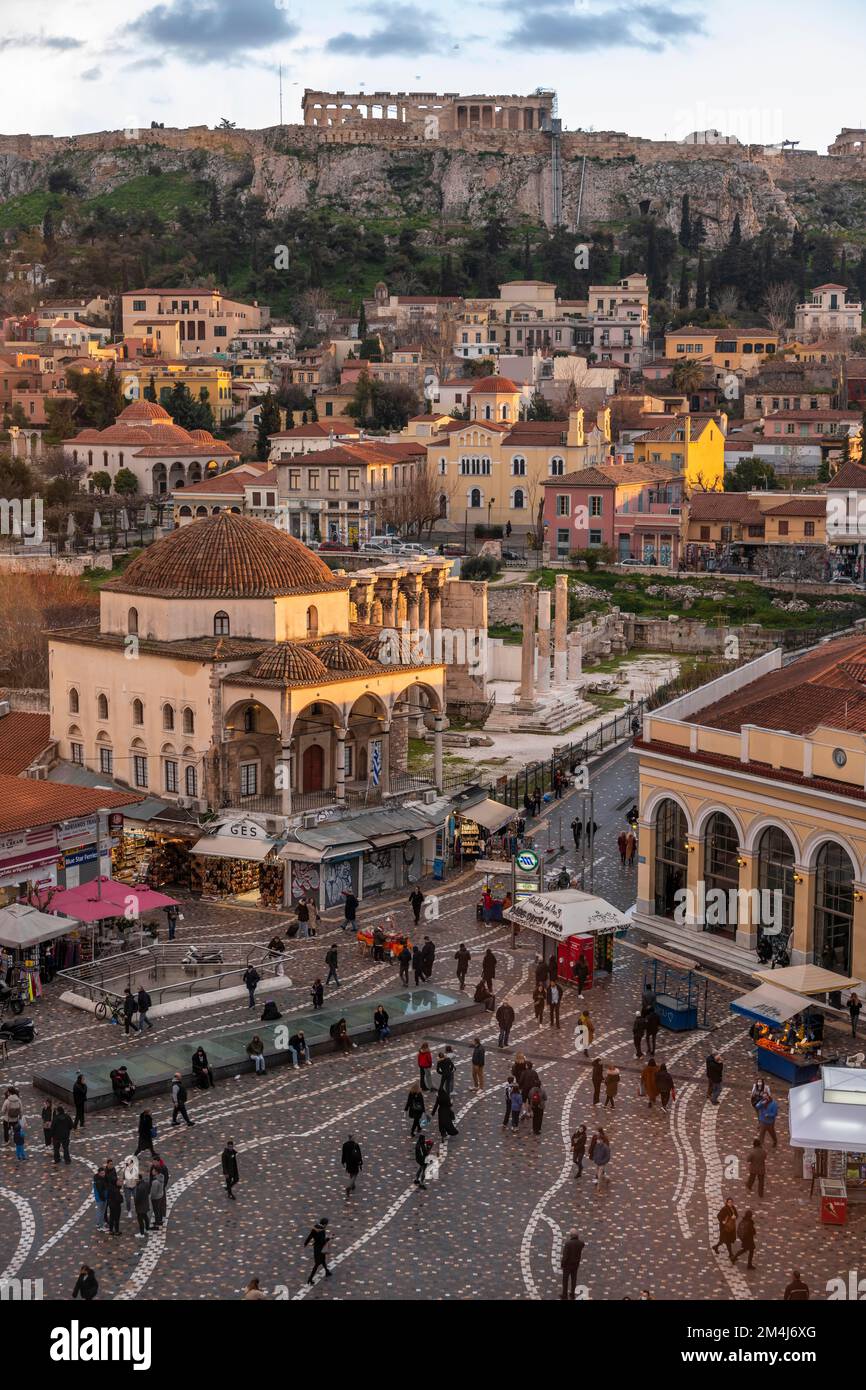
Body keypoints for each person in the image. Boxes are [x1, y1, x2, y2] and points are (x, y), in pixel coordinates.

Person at [304, 1218, 332, 1284]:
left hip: (316, 1247)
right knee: (317, 1264)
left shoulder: (315, 1227)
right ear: (325, 1224)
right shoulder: (322, 1231)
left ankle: (327, 1271)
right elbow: (322, 1241)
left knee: (323, 1260)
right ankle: (310, 1279)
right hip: (319, 1249)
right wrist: (329, 1238)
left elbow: (310, 1236)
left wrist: (306, 1243)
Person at [560, 1230, 585, 1301]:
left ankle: (564, 1294)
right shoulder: (580, 1243)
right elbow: (583, 1244)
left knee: (565, 1280)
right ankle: (572, 1293)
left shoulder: (568, 1244)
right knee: (574, 1279)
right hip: (575, 1264)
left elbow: (565, 1256)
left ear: (571, 1235)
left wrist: (562, 1264)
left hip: (567, 1265)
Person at [133, 1172, 151, 1238]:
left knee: (140, 1219)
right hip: (145, 1204)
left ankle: (142, 1233)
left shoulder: (139, 1187)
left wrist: (135, 1203)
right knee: (145, 1216)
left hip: (140, 1206)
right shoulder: (146, 1184)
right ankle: (147, 1228)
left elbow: (137, 1198)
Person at [149, 1164, 166, 1228]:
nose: (152, 1171)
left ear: (156, 1172)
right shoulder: (162, 1176)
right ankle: (159, 1221)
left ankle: (156, 1225)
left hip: (156, 1198)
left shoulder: (155, 1182)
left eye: (153, 1170)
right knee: (159, 1209)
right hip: (160, 1195)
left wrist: (151, 1197)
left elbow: (153, 1193)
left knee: (156, 1211)